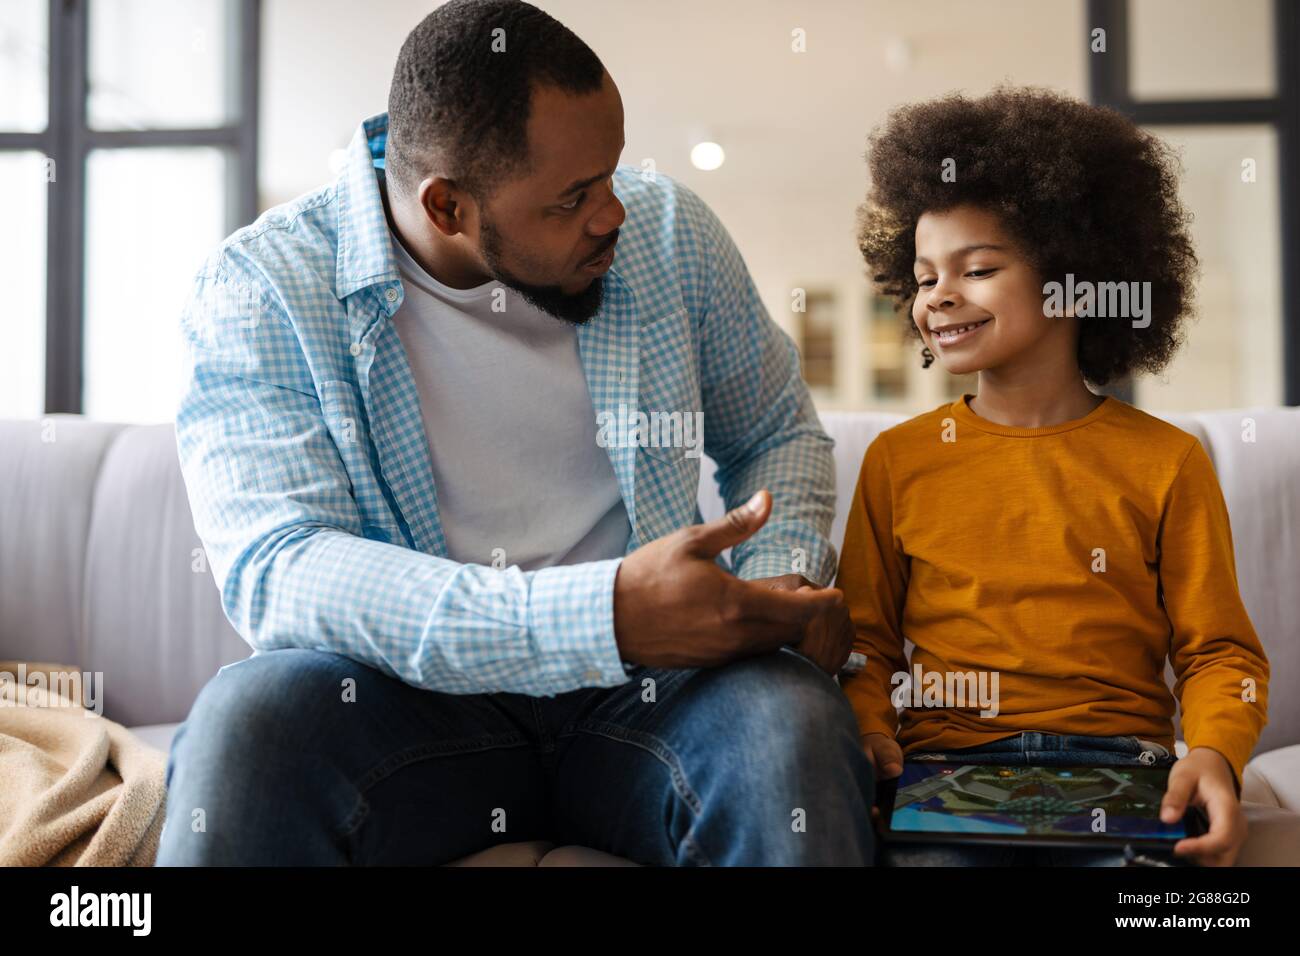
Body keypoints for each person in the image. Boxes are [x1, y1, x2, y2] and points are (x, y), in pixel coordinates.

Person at [158, 0, 872, 866]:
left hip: (655, 694)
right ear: (448, 206)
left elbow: (775, 434)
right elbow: (280, 565)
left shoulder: (670, 232)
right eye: (572, 199)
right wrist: (603, 615)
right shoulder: (261, 287)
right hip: (409, 701)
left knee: (787, 724)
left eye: (609, 172)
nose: (614, 213)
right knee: (250, 725)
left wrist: (775, 591)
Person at [836, 87, 1270, 867]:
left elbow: (1219, 653)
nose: (939, 296)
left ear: (1073, 274)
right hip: (951, 774)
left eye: (977, 268)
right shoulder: (900, 460)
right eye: (924, 275)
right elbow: (864, 642)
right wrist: (870, 731)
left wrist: (1216, 754)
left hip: (1125, 770)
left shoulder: (1166, 461)